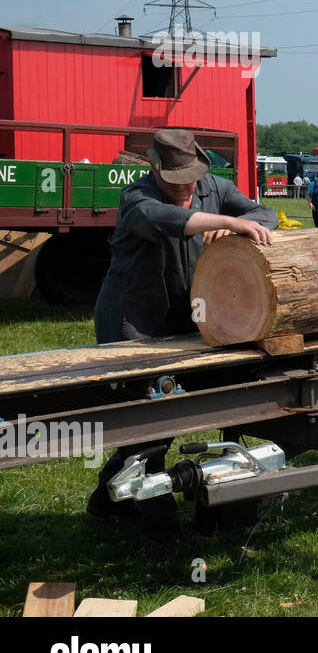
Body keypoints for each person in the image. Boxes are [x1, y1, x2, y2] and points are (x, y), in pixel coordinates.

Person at [88, 129, 277, 538]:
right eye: (175, 180)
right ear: (156, 169)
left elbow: (265, 214)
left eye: (190, 178)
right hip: (134, 318)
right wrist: (225, 220)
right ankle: (160, 527)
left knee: (167, 408)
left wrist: (238, 224)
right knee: (148, 414)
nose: (185, 187)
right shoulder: (137, 199)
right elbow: (171, 221)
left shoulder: (215, 186)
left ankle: (107, 499)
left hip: (186, 314)